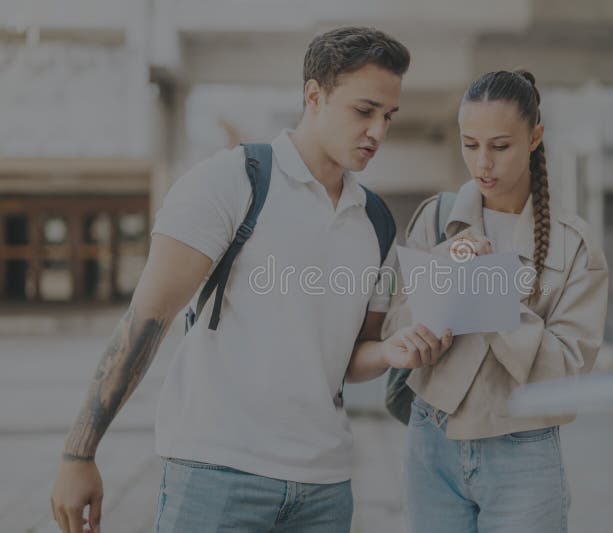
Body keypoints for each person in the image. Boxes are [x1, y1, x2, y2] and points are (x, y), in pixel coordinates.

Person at [49, 26, 452, 533]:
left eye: (388, 117)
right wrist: (78, 453)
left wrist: (393, 350)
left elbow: (355, 354)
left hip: (324, 488)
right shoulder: (232, 181)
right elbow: (146, 321)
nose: (378, 131)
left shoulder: (375, 221)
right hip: (217, 475)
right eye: (363, 110)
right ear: (314, 95)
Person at [382, 70, 609, 533]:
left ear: (534, 137)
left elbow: (569, 369)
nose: (482, 163)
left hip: (522, 450)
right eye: (470, 144)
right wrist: (433, 303)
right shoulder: (437, 218)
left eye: (500, 146)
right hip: (431, 441)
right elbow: (395, 326)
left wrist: (493, 294)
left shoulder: (575, 244)